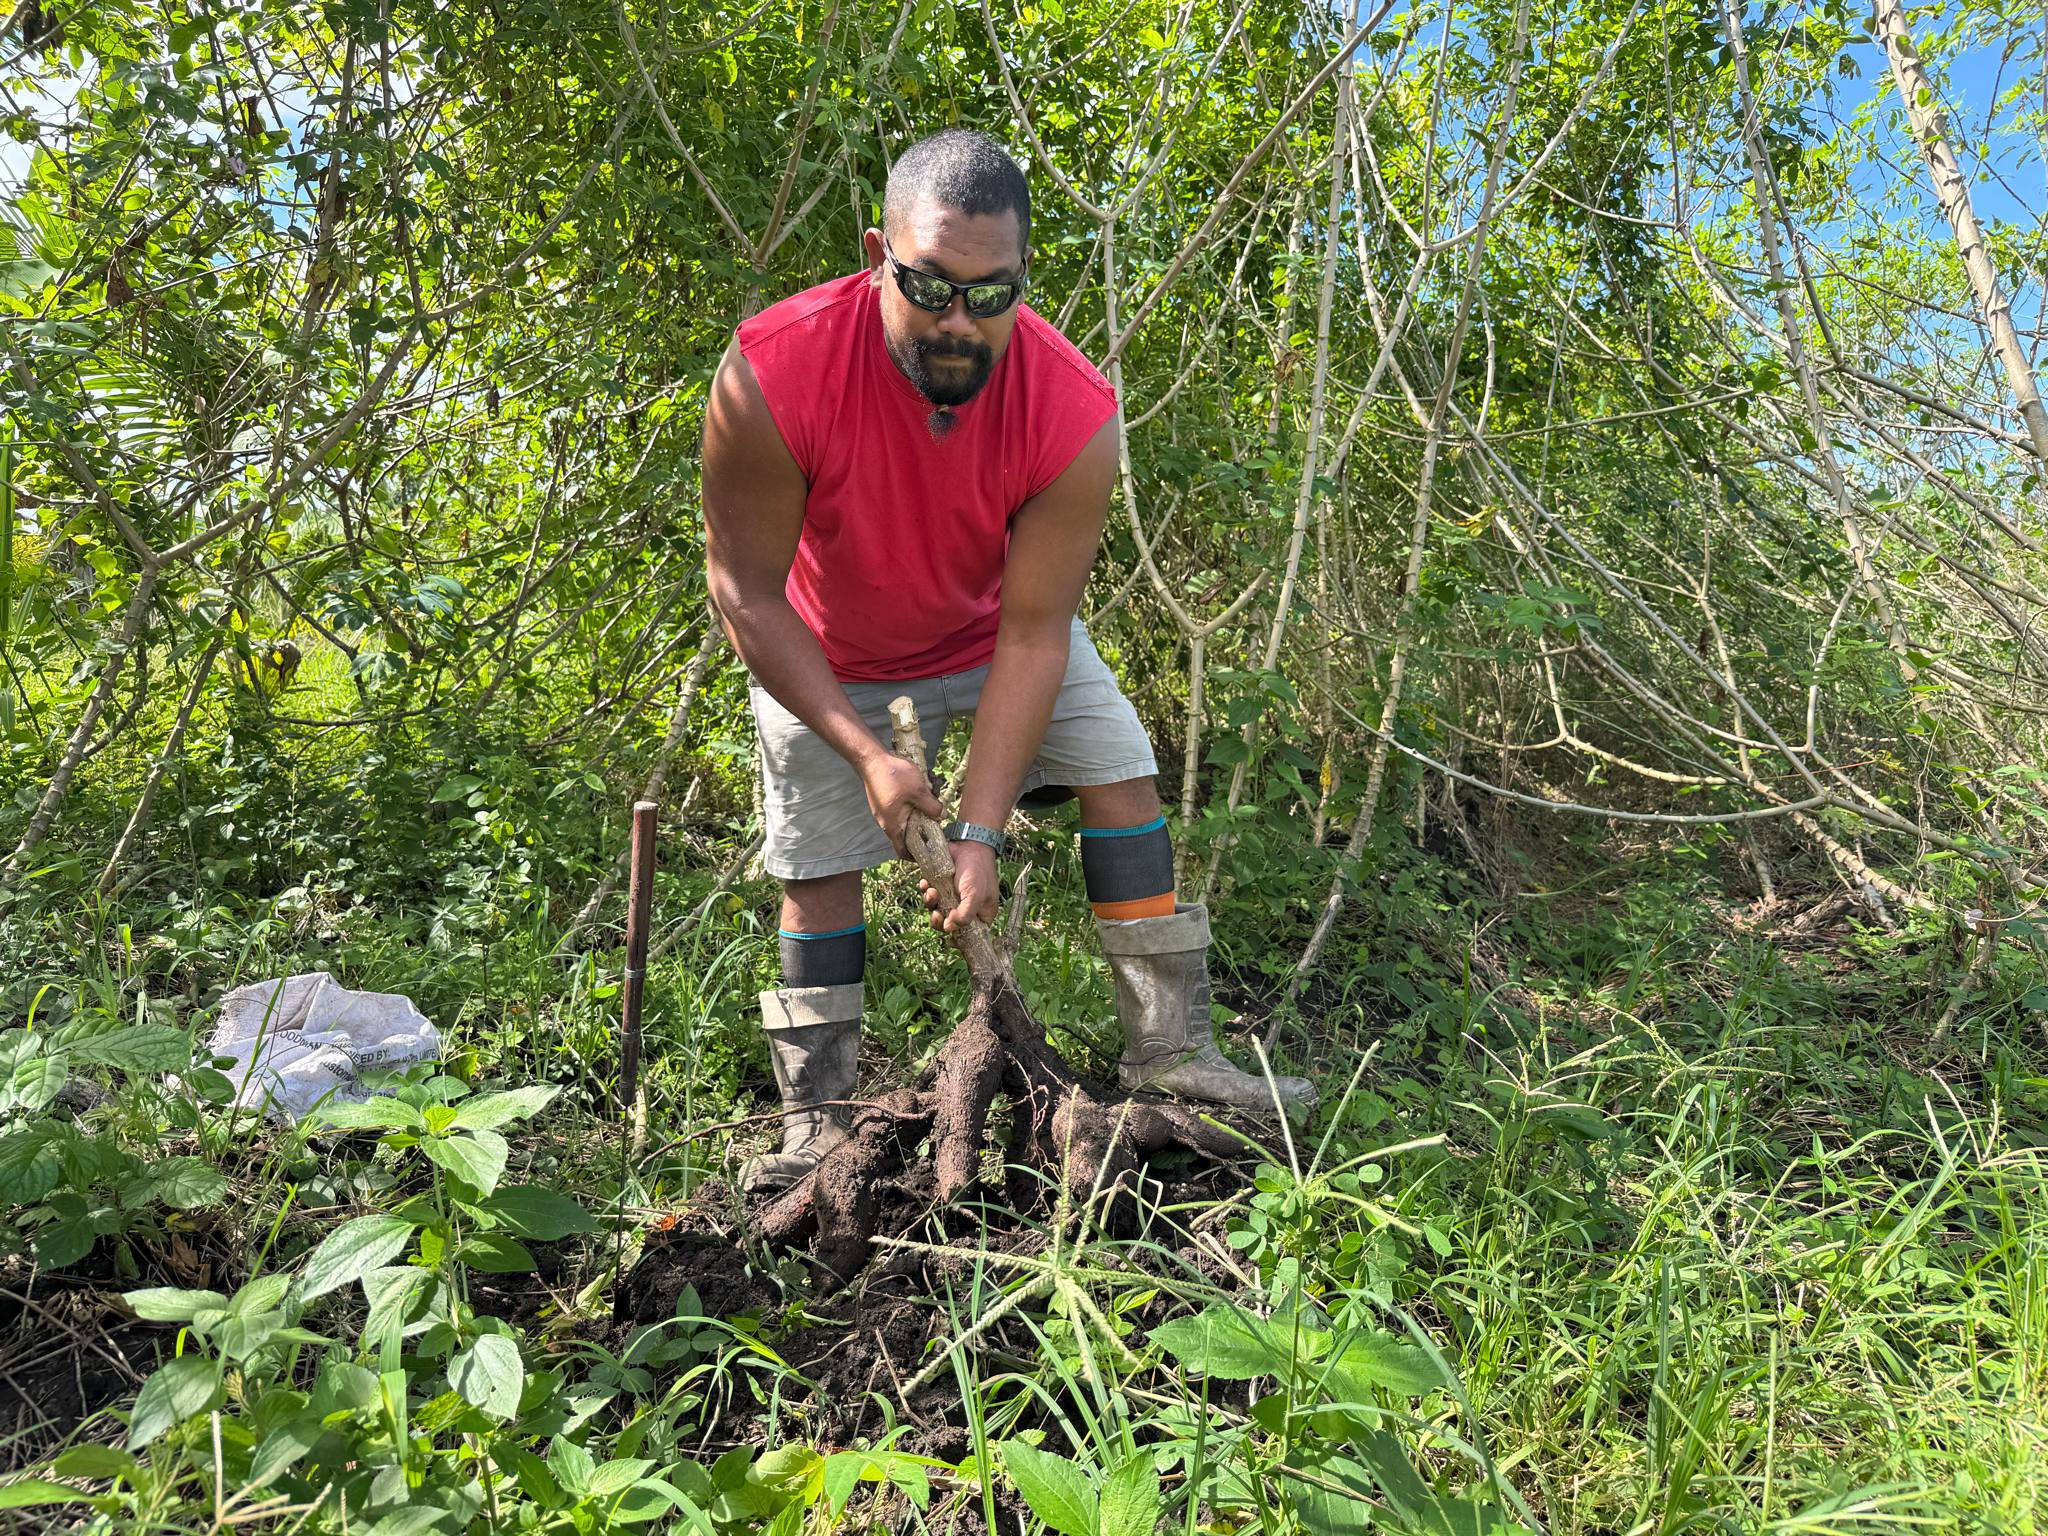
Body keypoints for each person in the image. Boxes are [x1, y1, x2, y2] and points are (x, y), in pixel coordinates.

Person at [700, 128, 1313, 1195]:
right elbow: (743, 590)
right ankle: (820, 1121)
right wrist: (864, 754)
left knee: (1121, 774)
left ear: (1022, 281)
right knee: (816, 864)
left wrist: (976, 826)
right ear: (875, 254)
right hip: (827, 650)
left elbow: (1035, 633)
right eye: (928, 286)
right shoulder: (774, 370)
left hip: (995, 638)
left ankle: (1171, 1055)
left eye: (991, 296)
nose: (958, 320)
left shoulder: (1072, 409)